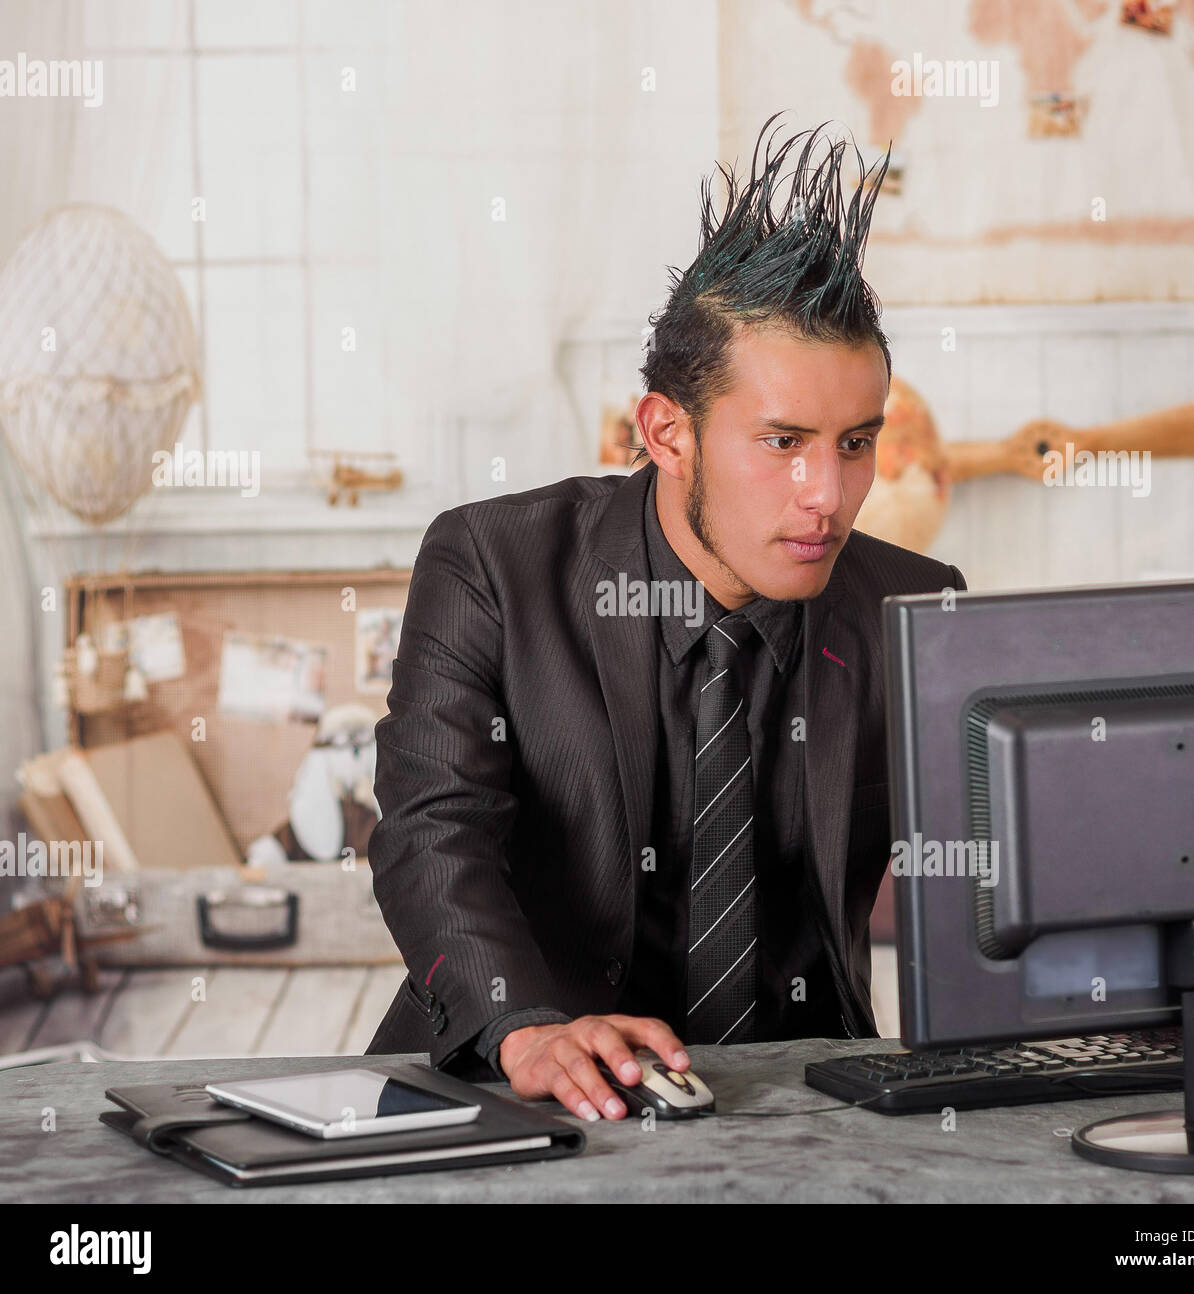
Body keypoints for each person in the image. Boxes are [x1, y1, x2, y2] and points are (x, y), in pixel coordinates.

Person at [366, 114, 967, 1122]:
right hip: (518, 1093)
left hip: (802, 1108)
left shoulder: (912, 606)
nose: (826, 493)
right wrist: (524, 1027)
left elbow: (988, 863)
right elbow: (432, 832)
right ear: (665, 432)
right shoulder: (490, 565)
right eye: (782, 442)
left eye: (854, 442)